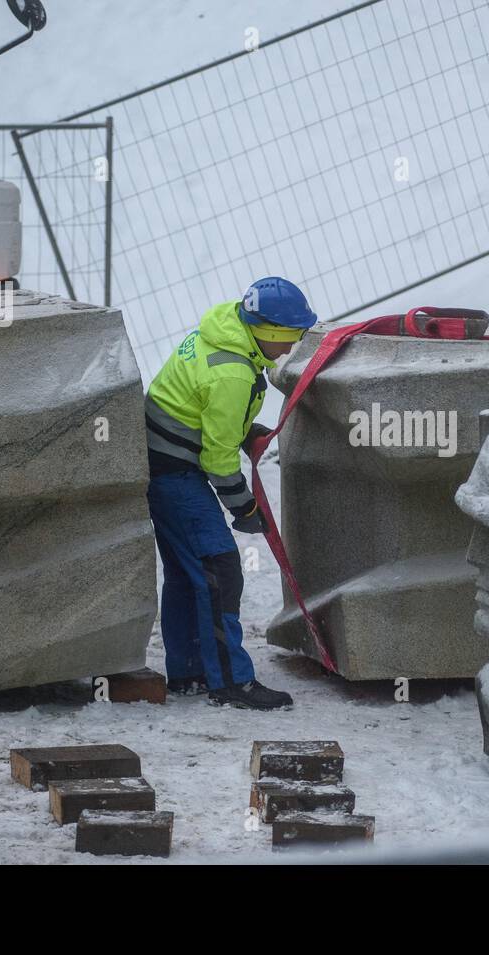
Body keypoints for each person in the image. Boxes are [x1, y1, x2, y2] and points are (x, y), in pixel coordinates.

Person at [143, 277, 316, 710]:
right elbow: (218, 458)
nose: (292, 348)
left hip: (161, 462)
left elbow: (203, 413)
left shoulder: (224, 327)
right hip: (177, 474)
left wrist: (243, 430)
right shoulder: (233, 372)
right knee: (219, 570)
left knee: (189, 574)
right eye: (291, 339)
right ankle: (232, 683)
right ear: (269, 332)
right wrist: (244, 507)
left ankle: (189, 672)